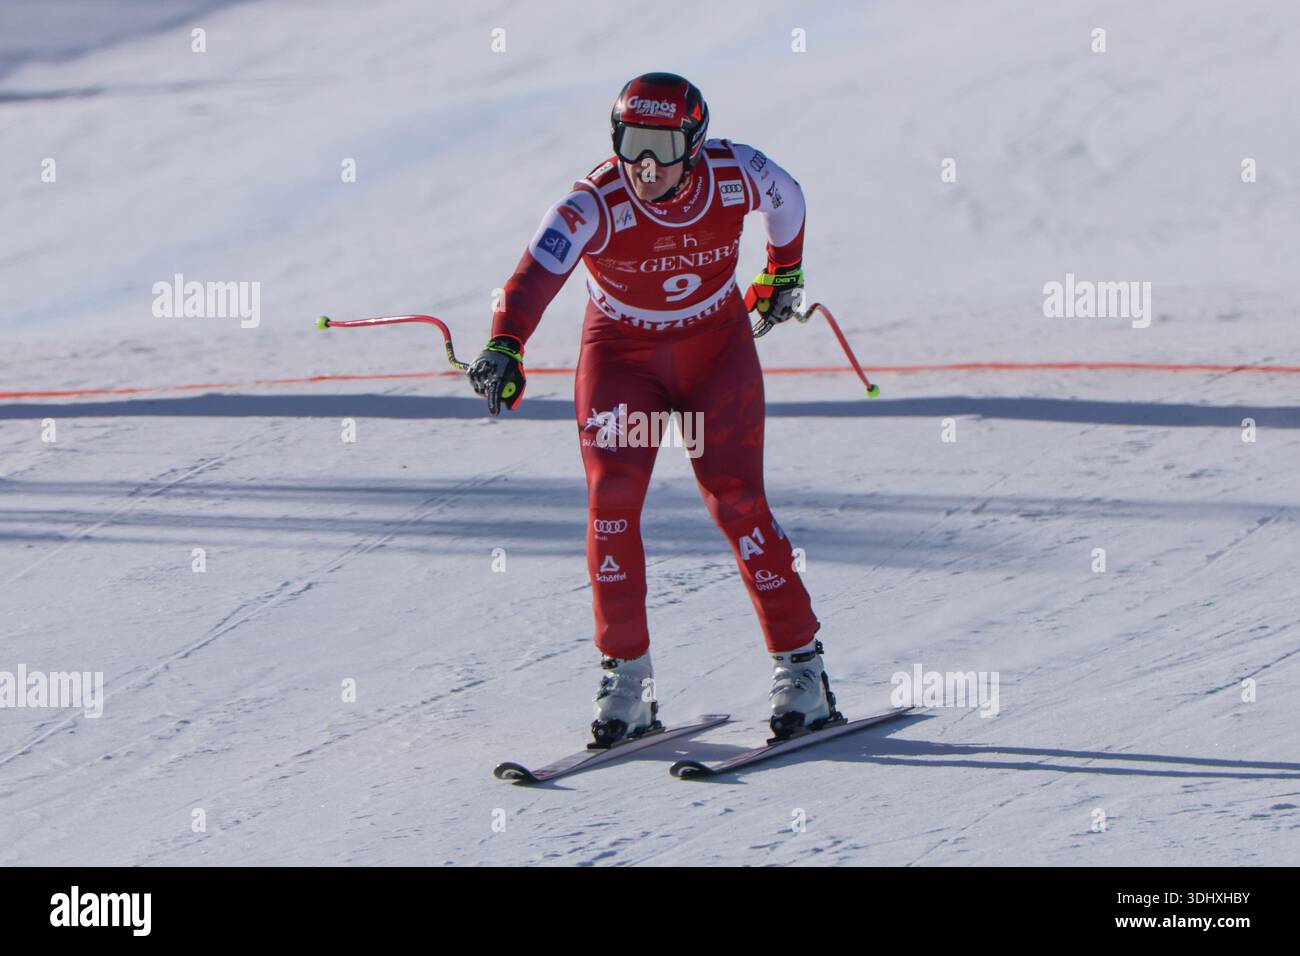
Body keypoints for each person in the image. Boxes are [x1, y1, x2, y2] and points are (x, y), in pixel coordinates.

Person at [468, 72, 839, 745]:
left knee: (737, 503)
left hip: (714, 356)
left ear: (693, 145)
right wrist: (505, 345)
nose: (646, 165)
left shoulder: (736, 172)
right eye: (633, 144)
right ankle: (628, 680)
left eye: (663, 148)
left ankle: (802, 671)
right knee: (612, 503)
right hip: (623, 361)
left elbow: (790, 197)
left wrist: (784, 271)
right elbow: (532, 275)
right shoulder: (593, 202)